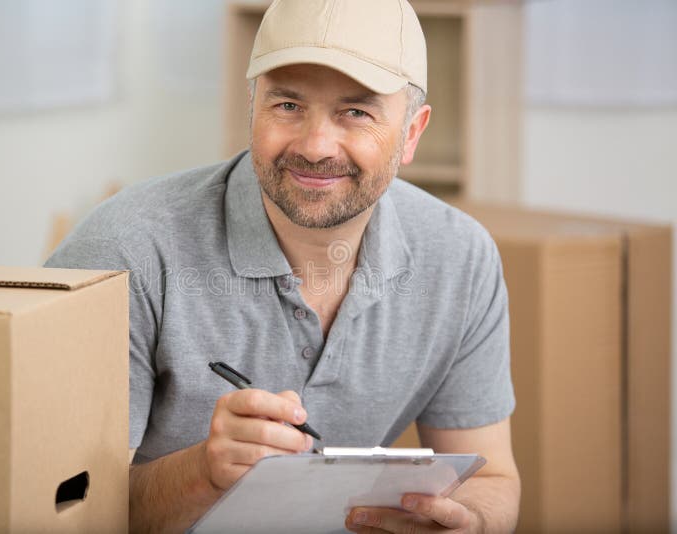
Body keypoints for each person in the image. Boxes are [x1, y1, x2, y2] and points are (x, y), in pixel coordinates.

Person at [45, 0, 520, 532]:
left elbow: (491, 480)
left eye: (355, 112)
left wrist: (470, 523)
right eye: (288, 105)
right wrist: (204, 474)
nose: (315, 147)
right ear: (253, 106)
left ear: (411, 132)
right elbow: (55, 507)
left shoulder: (461, 258)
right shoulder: (125, 249)